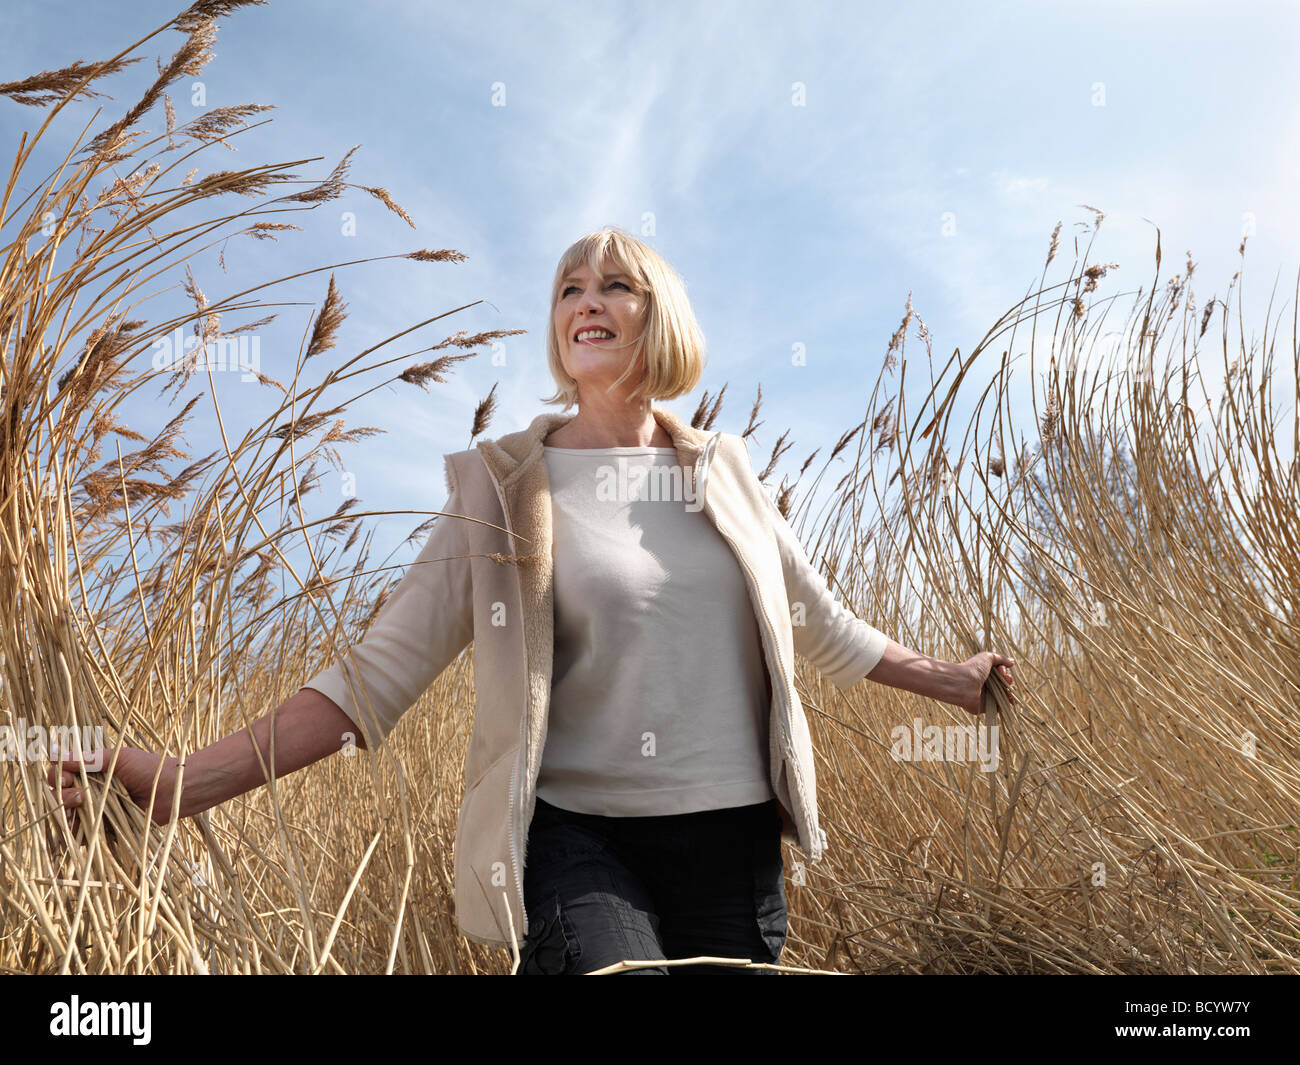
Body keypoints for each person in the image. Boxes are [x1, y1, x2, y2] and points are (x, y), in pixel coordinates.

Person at [49, 226, 1018, 975]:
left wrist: (957, 682)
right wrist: (182, 782)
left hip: (732, 840)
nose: (584, 302)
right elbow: (377, 674)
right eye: (567, 288)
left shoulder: (724, 471)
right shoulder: (502, 488)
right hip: (575, 839)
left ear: (660, 316)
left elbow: (818, 623)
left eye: (613, 286)